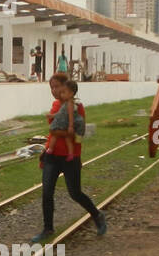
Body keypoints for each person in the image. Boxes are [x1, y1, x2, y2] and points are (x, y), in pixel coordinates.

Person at [33, 76, 105, 242]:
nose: (54, 91)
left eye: (57, 87)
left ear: (67, 88)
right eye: (51, 87)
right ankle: (48, 228)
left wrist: (60, 133)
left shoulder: (77, 107)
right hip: (52, 155)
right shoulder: (55, 105)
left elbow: (77, 133)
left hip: (70, 156)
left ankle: (97, 215)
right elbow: (53, 130)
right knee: (47, 192)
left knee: (75, 193)